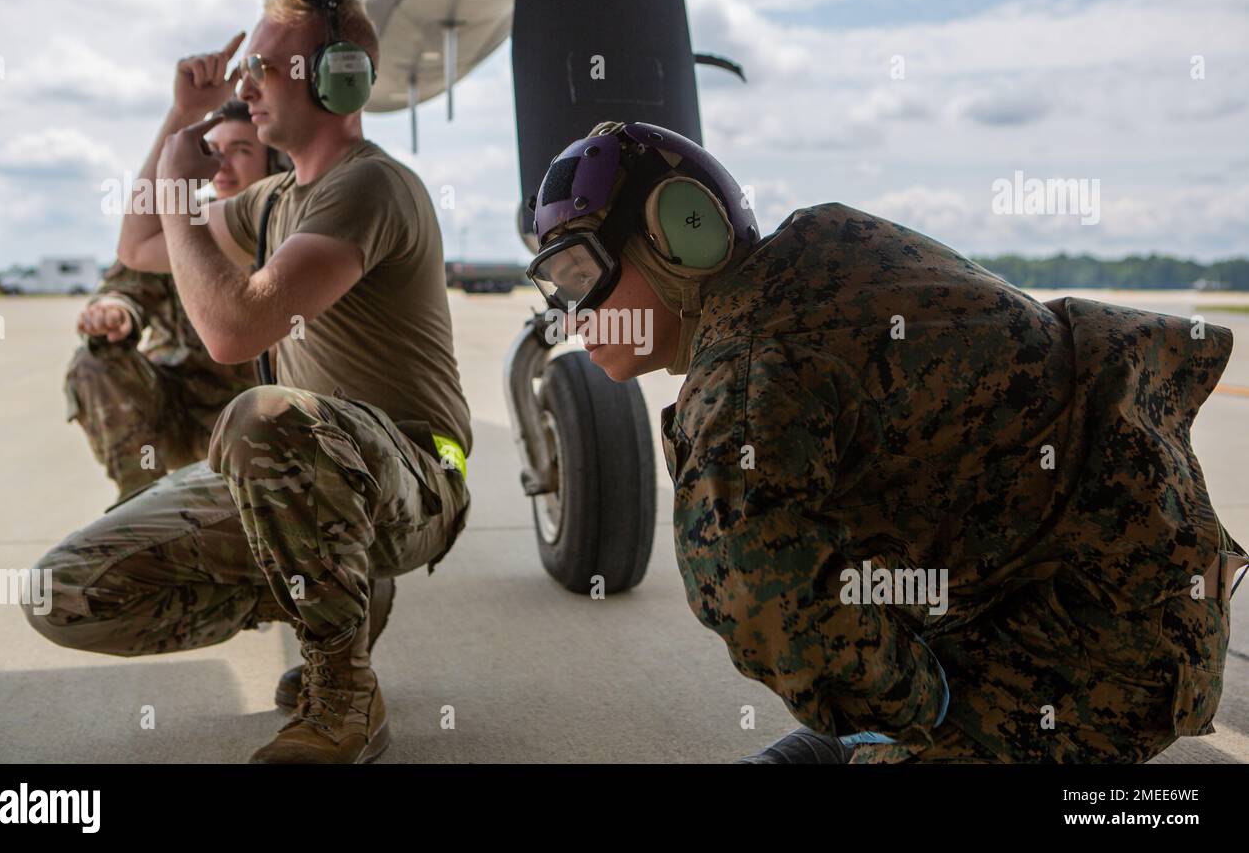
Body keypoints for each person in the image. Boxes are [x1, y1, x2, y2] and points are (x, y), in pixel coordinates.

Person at [526, 119, 1247, 763]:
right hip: (1087, 574)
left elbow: (761, 602)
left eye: (582, 276)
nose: (573, 313)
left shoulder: (745, 377)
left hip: (1103, 642)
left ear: (682, 235)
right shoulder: (826, 249)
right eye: (557, 290)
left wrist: (912, 710)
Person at [25, 0, 472, 764]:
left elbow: (235, 329)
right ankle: (336, 589)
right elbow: (141, 250)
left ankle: (343, 699)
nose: (247, 84)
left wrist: (182, 191)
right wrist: (180, 122)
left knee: (262, 415)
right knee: (62, 594)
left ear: (339, 78)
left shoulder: (368, 184)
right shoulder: (271, 202)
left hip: (415, 473)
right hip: (308, 479)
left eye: (266, 66)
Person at [66, 99, 275, 502]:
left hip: (263, 421)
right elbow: (126, 283)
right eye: (214, 152)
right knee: (93, 361)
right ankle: (141, 505)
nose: (222, 166)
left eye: (242, 150)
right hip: (181, 410)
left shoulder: (291, 229)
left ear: (273, 159)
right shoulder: (185, 227)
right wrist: (116, 311)